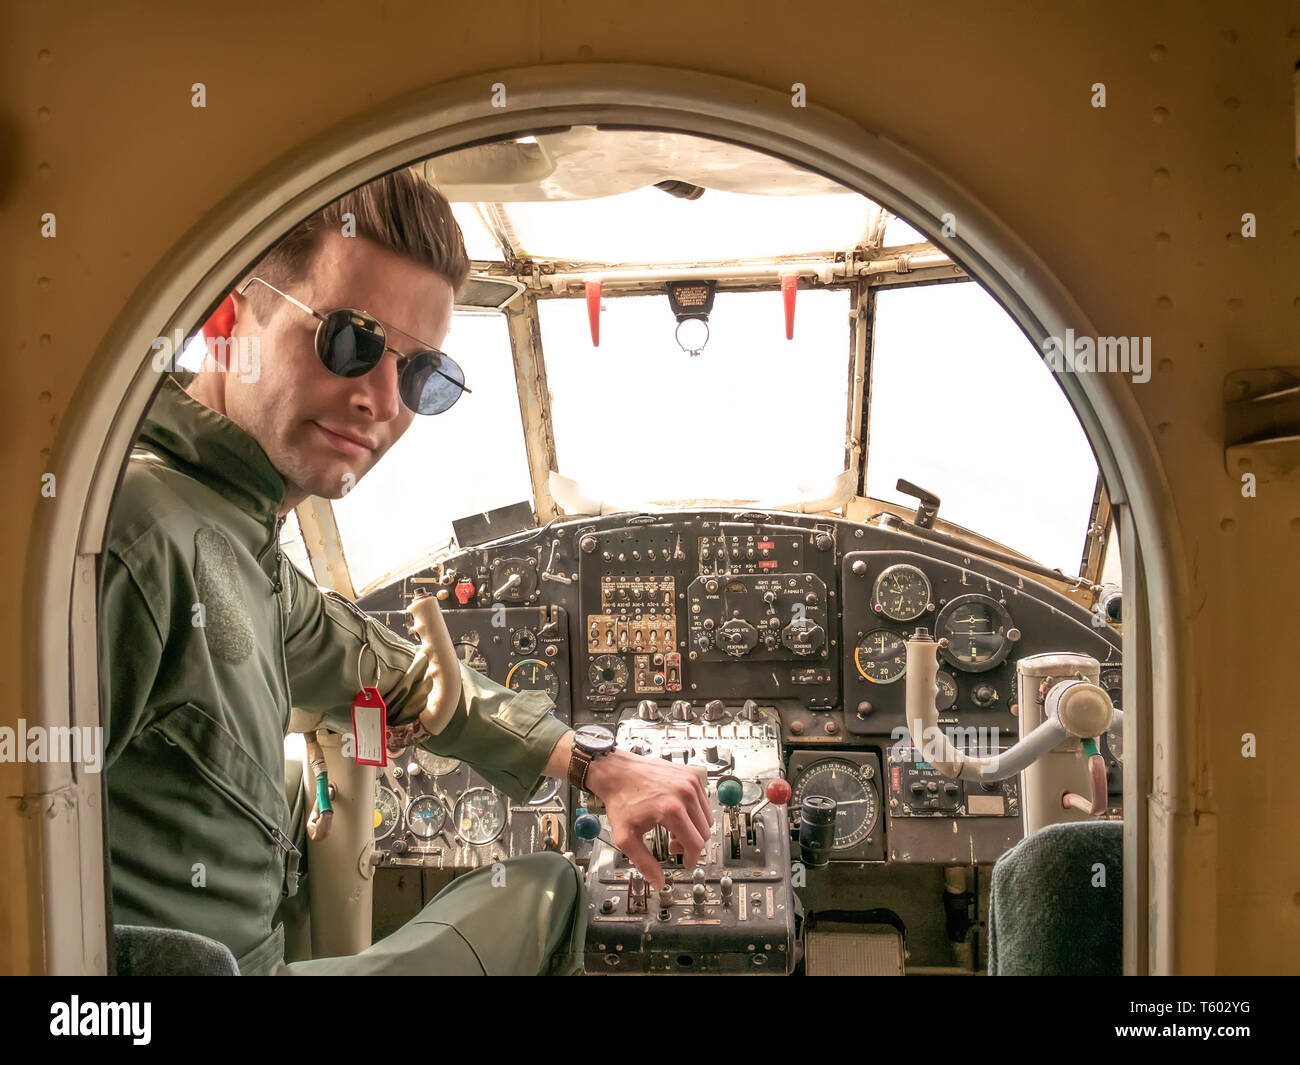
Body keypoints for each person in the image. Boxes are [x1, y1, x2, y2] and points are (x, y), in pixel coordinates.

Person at [99, 168, 713, 975]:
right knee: (551, 889)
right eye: (349, 340)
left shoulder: (230, 530)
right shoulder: (140, 534)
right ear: (226, 321)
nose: (383, 400)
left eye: (423, 376)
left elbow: (390, 668)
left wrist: (596, 761)